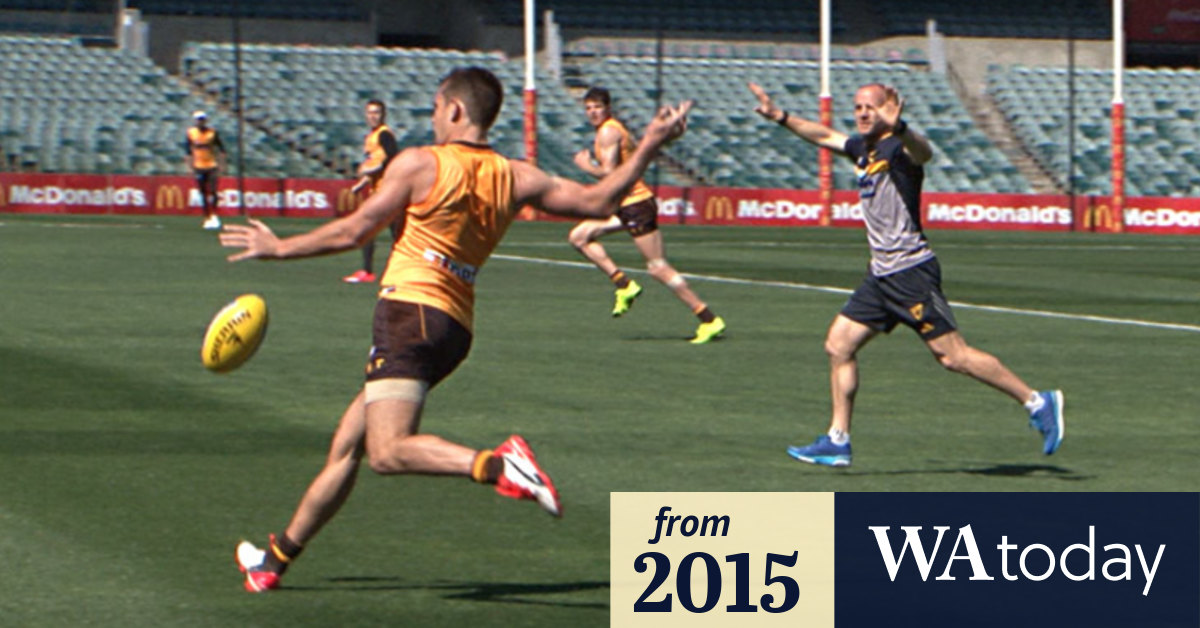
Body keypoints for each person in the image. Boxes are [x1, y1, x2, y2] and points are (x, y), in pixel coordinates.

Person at [219, 67, 693, 593]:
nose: (431, 118)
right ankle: (274, 560)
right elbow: (601, 202)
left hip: (409, 315)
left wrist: (278, 247)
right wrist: (648, 142)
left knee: (387, 451)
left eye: (434, 108)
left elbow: (357, 228)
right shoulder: (517, 175)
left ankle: (498, 465)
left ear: (455, 110)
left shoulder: (421, 162)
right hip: (453, 330)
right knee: (347, 444)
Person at [747, 81, 1063, 467]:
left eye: (871, 107)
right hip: (881, 276)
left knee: (954, 357)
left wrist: (902, 127)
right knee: (839, 345)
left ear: (888, 110)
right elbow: (825, 134)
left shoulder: (898, 149)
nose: (863, 113)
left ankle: (1037, 401)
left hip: (911, 272)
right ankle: (837, 440)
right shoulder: (862, 148)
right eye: (858, 106)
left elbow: (924, 153)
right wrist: (779, 116)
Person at [570, 87, 726, 344]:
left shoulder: (609, 131)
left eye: (597, 107)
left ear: (607, 108)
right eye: (588, 108)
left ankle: (708, 319)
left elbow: (609, 172)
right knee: (579, 237)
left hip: (636, 204)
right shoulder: (609, 131)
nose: (592, 112)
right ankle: (624, 284)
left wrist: (585, 166)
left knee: (658, 268)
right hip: (625, 205)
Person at [343, 99, 400, 283]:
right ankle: (370, 271)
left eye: (376, 112)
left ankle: (369, 272)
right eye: (370, 112)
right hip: (379, 192)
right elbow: (377, 163)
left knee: (370, 229)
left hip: (388, 192)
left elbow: (392, 157)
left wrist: (372, 170)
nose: (373, 116)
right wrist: (363, 182)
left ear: (383, 115)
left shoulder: (384, 135)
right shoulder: (371, 137)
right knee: (394, 234)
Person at [184, 111, 226, 230]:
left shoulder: (212, 133)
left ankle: (214, 214)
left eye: (202, 119)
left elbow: (222, 149)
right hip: (199, 166)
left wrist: (222, 165)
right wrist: (189, 167)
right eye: (198, 119)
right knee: (203, 193)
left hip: (211, 165)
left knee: (213, 191)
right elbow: (188, 151)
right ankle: (206, 216)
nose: (200, 122)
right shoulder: (191, 133)